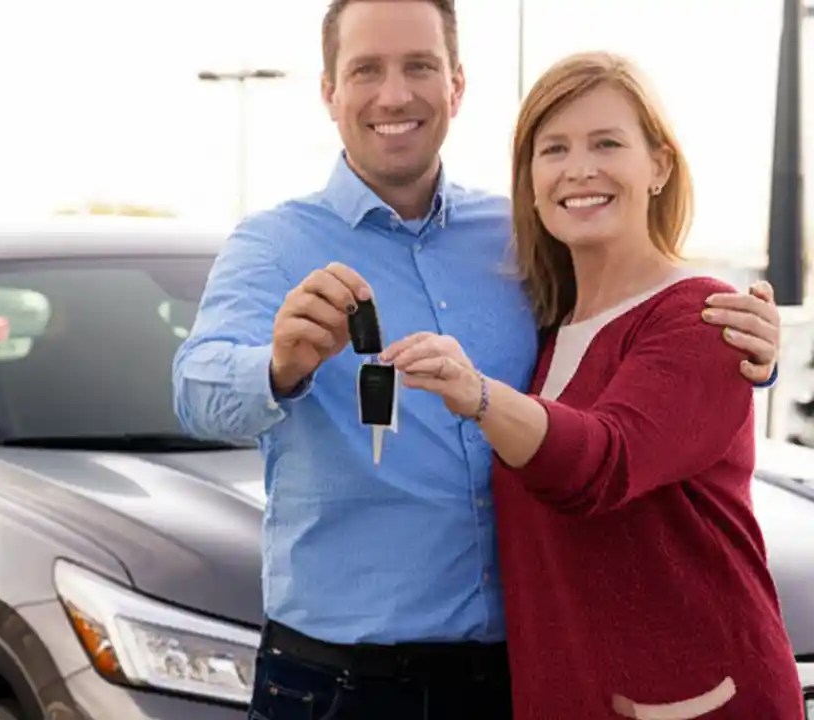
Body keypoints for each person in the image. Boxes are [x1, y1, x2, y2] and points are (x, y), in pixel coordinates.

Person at [171, 1, 785, 718]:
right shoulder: (273, 244)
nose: (394, 94)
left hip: (514, 679)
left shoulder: (523, 239)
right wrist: (278, 367)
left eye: (420, 67)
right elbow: (195, 394)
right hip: (340, 686)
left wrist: (743, 348)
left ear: (457, 86)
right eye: (366, 69)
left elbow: (626, 343)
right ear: (329, 91)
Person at [384, 51, 805, 719]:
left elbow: (602, 463)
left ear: (659, 166)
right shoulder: (548, 331)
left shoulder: (703, 317)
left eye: (607, 143)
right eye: (553, 149)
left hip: (700, 702)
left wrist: (480, 397)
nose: (579, 169)